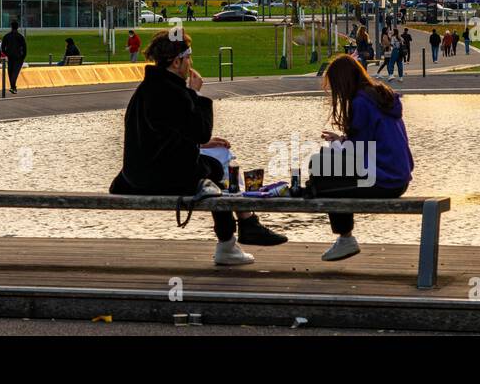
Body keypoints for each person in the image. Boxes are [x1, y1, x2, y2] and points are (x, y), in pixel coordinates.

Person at [109, 28, 287, 266]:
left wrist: (202, 144)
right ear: (176, 62)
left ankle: (242, 229)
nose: (191, 63)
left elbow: (170, 132)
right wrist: (196, 94)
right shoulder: (174, 91)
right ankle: (237, 234)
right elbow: (201, 130)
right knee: (221, 166)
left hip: (136, 175)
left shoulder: (147, 88)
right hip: (162, 177)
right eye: (188, 57)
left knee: (217, 159)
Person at [311, 54, 415, 261]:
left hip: (384, 180)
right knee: (329, 172)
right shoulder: (379, 97)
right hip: (399, 177)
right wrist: (342, 140)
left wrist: (339, 146)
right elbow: (367, 142)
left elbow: (358, 151)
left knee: (325, 181)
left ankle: (345, 238)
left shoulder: (360, 103)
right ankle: (344, 238)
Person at [2, 21, 27, 93]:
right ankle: (13, 87)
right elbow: (24, 48)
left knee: (10, 71)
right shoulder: (20, 36)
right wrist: (23, 56)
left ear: (11, 27)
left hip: (10, 56)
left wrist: (6, 53)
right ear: (17, 27)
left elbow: (3, 47)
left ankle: (13, 87)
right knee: (15, 72)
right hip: (19, 56)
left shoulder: (6, 36)